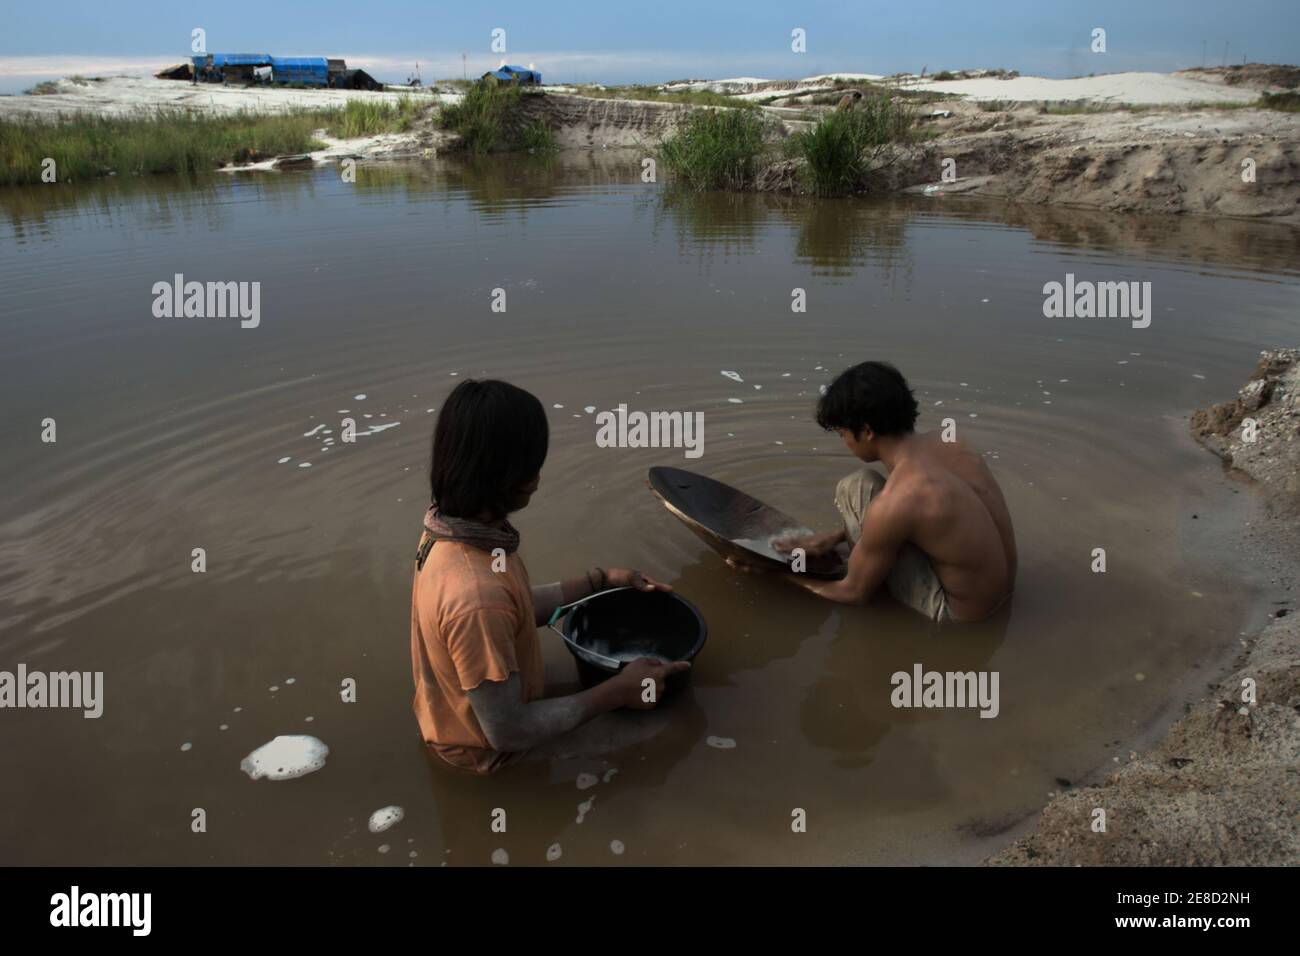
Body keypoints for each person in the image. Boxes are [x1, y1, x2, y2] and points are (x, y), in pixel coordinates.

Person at [411, 379, 688, 774]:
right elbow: (508, 731)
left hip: (457, 714)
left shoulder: (447, 530)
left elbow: (513, 607)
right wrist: (618, 692)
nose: (538, 476)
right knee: (669, 731)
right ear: (510, 476)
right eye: (533, 464)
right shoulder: (476, 596)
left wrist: (601, 580)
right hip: (490, 753)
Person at [730, 361, 1016, 623]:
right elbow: (936, 520)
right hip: (1002, 588)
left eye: (842, 433)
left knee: (855, 487)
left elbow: (852, 594)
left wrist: (778, 575)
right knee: (873, 496)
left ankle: (862, 559)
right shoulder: (953, 444)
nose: (844, 442)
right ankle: (862, 552)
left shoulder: (901, 497)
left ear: (866, 431)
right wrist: (832, 538)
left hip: (957, 614)